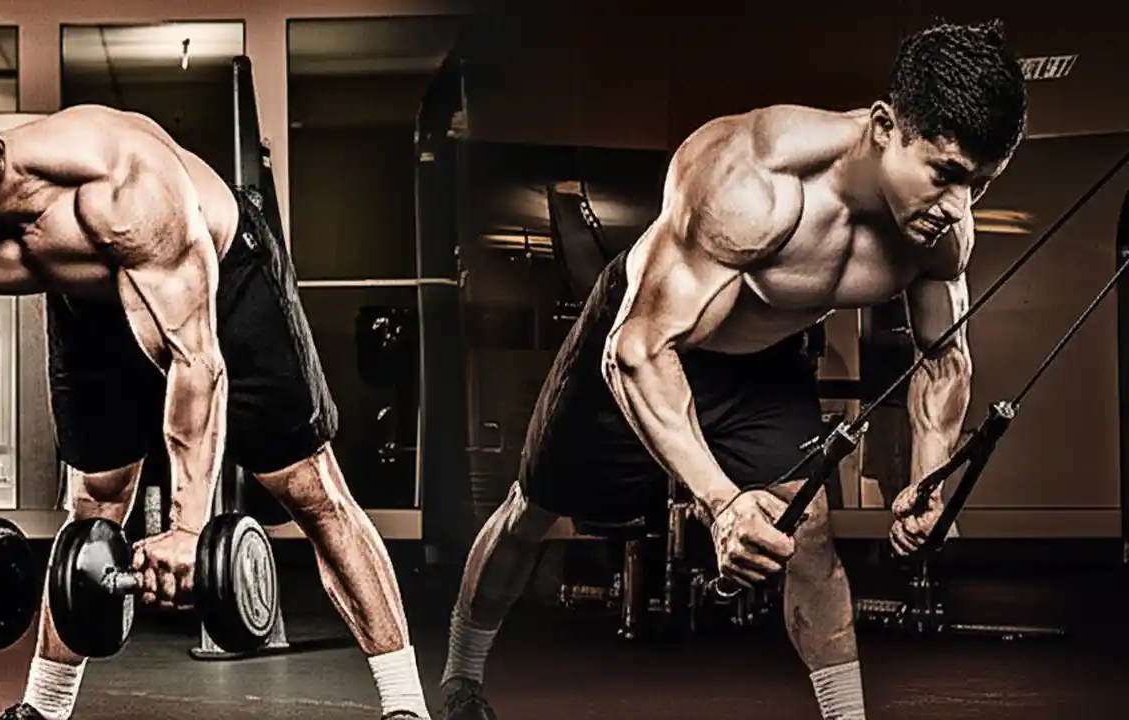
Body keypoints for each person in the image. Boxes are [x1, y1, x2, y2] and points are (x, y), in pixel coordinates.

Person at [438, 19, 1026, 720]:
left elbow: (943, 357)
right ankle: (461, 678)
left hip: (761, 364)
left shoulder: (940, 232)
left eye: (981, 186)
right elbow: (635, 352)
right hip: (647, 341)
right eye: (948, 175)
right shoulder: (753, 179)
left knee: (807, 537)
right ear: (883, 127)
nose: (960, 208)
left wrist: (927, 477)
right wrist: (721, 506)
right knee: (531, 509)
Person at [0, 41, 431, 720]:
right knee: (92, 504)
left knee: (311, 490)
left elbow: (197, 360)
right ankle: (44, 708)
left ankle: (406, 705)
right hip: (85, 308)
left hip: (222, 283)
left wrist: (189, 529)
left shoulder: (120, 182)